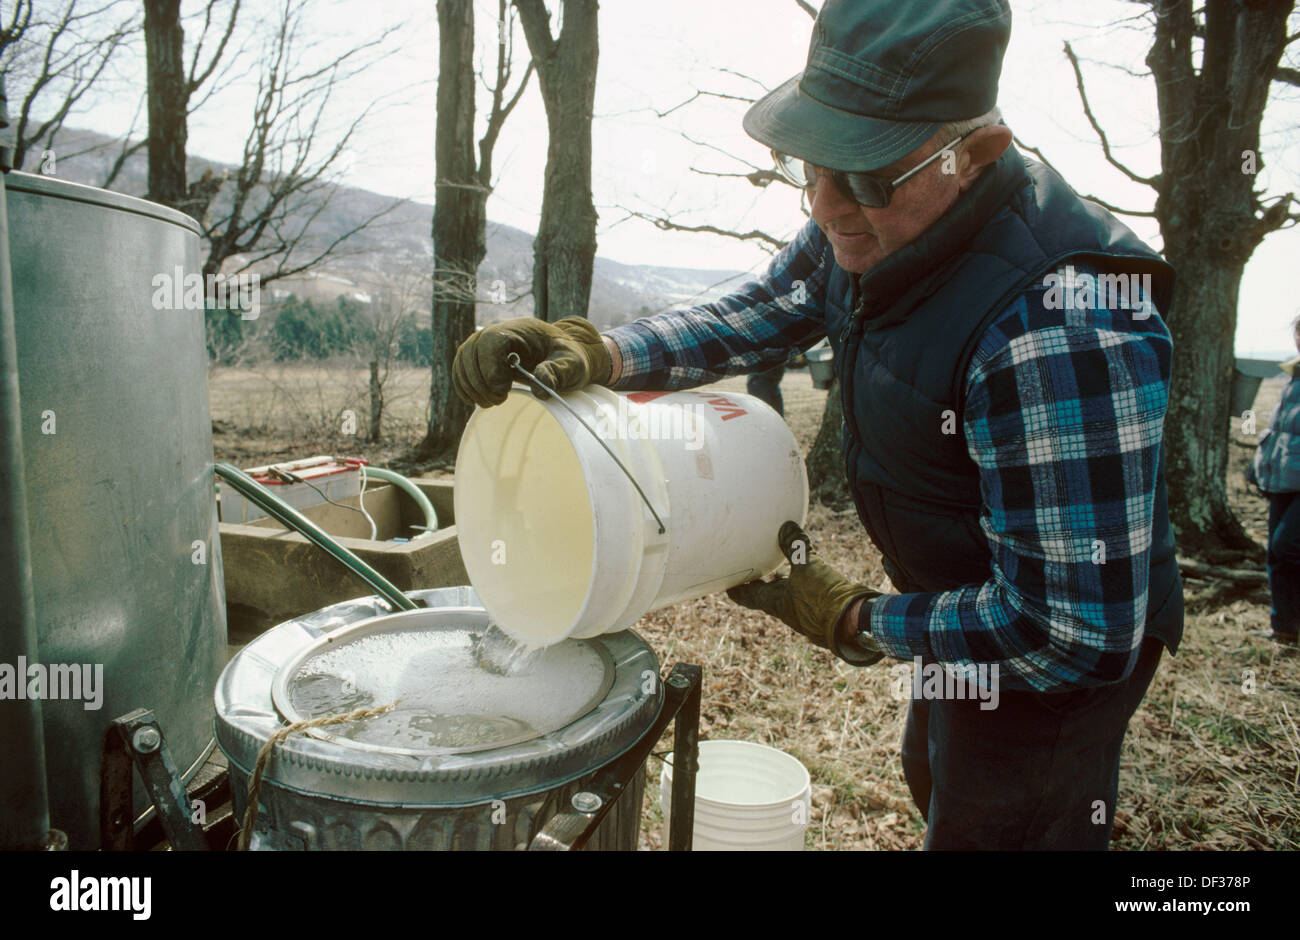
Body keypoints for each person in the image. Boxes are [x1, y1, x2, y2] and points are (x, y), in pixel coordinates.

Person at [451, 0, 1183, 850]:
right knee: (939, 770)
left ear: (974, 154)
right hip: (962, 597)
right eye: (811, 164)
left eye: (866, 178)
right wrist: (598, 353)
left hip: (1049, 661)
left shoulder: (1062, 326)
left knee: (1004, 816)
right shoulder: (875, 215)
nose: (828, 206)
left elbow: (1071, 633)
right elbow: (768, 304)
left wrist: (858, 619)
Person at [1247, 316, 1300, 645]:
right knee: (1275, 553)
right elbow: (1281, 431)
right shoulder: (1294, 373)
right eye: (1299, 332)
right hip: (1285, 478)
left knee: (1288, 546)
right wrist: (1259, 465)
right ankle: (1284, 629)